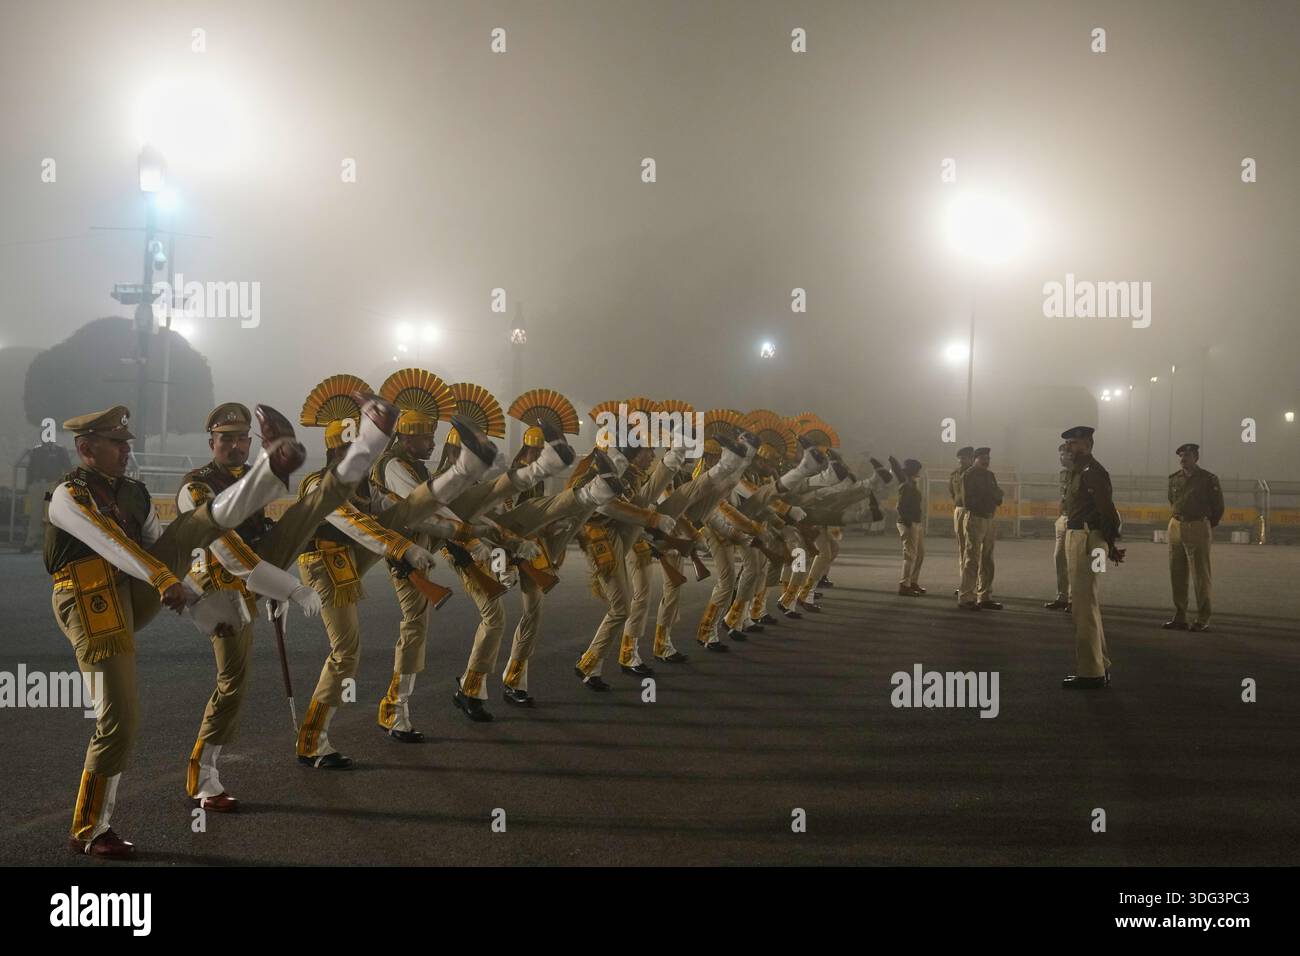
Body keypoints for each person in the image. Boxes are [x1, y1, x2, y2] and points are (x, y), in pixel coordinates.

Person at [48, 403, 305, 858]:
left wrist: (204, 609)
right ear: (86, 448)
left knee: (193, 526)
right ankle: (88, 828)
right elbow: (112, 544)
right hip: (91, 601)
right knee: (120, 718)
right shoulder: (69, 495)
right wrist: (164, 579)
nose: (126, 451)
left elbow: (168, 552)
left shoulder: (136, 493)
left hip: (135, 588)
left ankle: (273, 466)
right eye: (115, 444)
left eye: (127, 442)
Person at [178, 393, 399, 809]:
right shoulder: (196, 487)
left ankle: (372, 437)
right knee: (232, 684)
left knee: (315, 505)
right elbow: (231, 554)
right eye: (226, 438)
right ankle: (203, 775)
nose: (235, 445)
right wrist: (288, 588)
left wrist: (274, 583)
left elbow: (260, 539)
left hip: (257, 572)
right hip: (218, 590)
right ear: (211, 442)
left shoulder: (247, 479)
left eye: (243, 438)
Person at [1060, 425, 1124, 689]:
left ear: (1087, 444)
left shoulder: (1093, 472)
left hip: (1087, 540)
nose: (1069, 448)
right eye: (1068, 444)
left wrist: (1109, 544)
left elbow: (1107, 511)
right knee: (1088, 603)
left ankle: (1091, 672)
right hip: (1080, 537)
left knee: (1084, 606)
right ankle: (1100, 663)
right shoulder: (1079, 472)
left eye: (1074, 443)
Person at [1164, 442, 1224, 632]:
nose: (1183, 459)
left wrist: (1205, 524)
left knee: (1200, 574)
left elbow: (1218, 507)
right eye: (1181, 456)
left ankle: (1203, 617)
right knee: (1177, 572)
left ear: (1196, 458)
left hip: (1197, 525)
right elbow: (1172, 501)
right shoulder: (1174, 479)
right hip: (1176, 525)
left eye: (1187, 456)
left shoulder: (1208, 479)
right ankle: (1180, 615)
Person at [958, 447, 1003, 610]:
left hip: (990, 517)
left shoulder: (990, 475)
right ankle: (966, 597)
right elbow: (969, 500)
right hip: (976, 518)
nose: (986, 460)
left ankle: (984, 596)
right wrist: (990, 496)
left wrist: (991, 496)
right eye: (983, 457)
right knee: (972, 558)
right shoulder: (969, 475)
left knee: (988, 559)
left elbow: (999, 497)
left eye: (988, 458)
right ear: (975, 459)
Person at [22, 437, 72, 552]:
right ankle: (30, 542)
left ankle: (51, 543)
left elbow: (68, 468)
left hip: (51, 486)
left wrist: (63, 484)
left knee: (50, 514)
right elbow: (30, 469)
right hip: (37, 485)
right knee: (35, 514)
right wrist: (29, 485)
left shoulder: (60, 450)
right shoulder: (36, 451)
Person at [1043, 443, 1073, 610]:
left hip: (1075, 521)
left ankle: (1072, 599)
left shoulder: (1081, 473)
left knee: (1073, 562)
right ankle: (1062, 596)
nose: (1060, 458)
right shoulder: (1063, 474)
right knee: (1059, 558)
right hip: (1063, 519)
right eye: (1060, 455)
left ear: (1071, 455)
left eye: (1063, 455)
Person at [893, 457, 925, 596]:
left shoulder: (909, 483)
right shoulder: (907, 485)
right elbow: (900, 507)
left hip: (914, 522)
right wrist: (909, 522)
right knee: (910, 555)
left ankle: (912, 581)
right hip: (909, 522)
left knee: (919, 554)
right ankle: (904, 584)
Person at [948, 446, 974, 595]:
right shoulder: (955, 474)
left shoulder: (975, 473)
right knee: (962, 548)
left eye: (964, 458)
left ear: (971, 459)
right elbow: (952, 492)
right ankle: (963, 584)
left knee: (973, 550)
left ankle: (973, 585)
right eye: (960, 458)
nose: (961, 461)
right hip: (959, 510)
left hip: (972, 511)